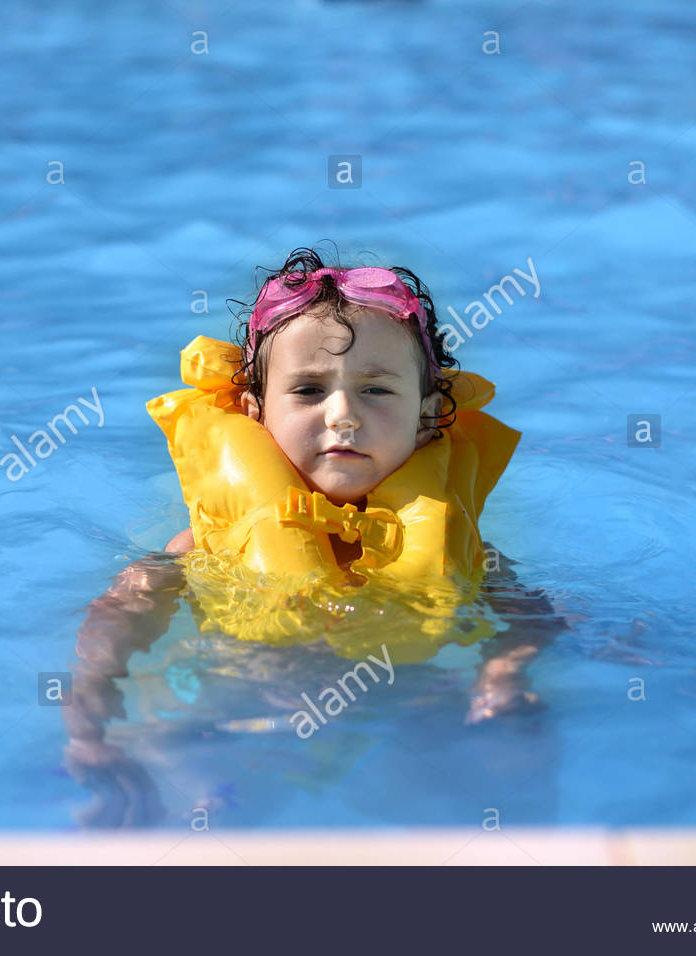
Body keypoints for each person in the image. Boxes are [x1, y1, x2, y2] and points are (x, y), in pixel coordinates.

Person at [63, 246, 565, 826]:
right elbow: (123, 612)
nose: (343, 416)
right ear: (253, 410)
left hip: (402, 707)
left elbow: (532, 617)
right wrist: (89, 719)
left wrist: (504, 674)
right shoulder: (204, 547)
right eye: (307, 391)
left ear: (427, 416)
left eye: (376, 390)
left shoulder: (467, 551)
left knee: (516, 756)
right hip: (244, 709)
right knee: (174, 772)